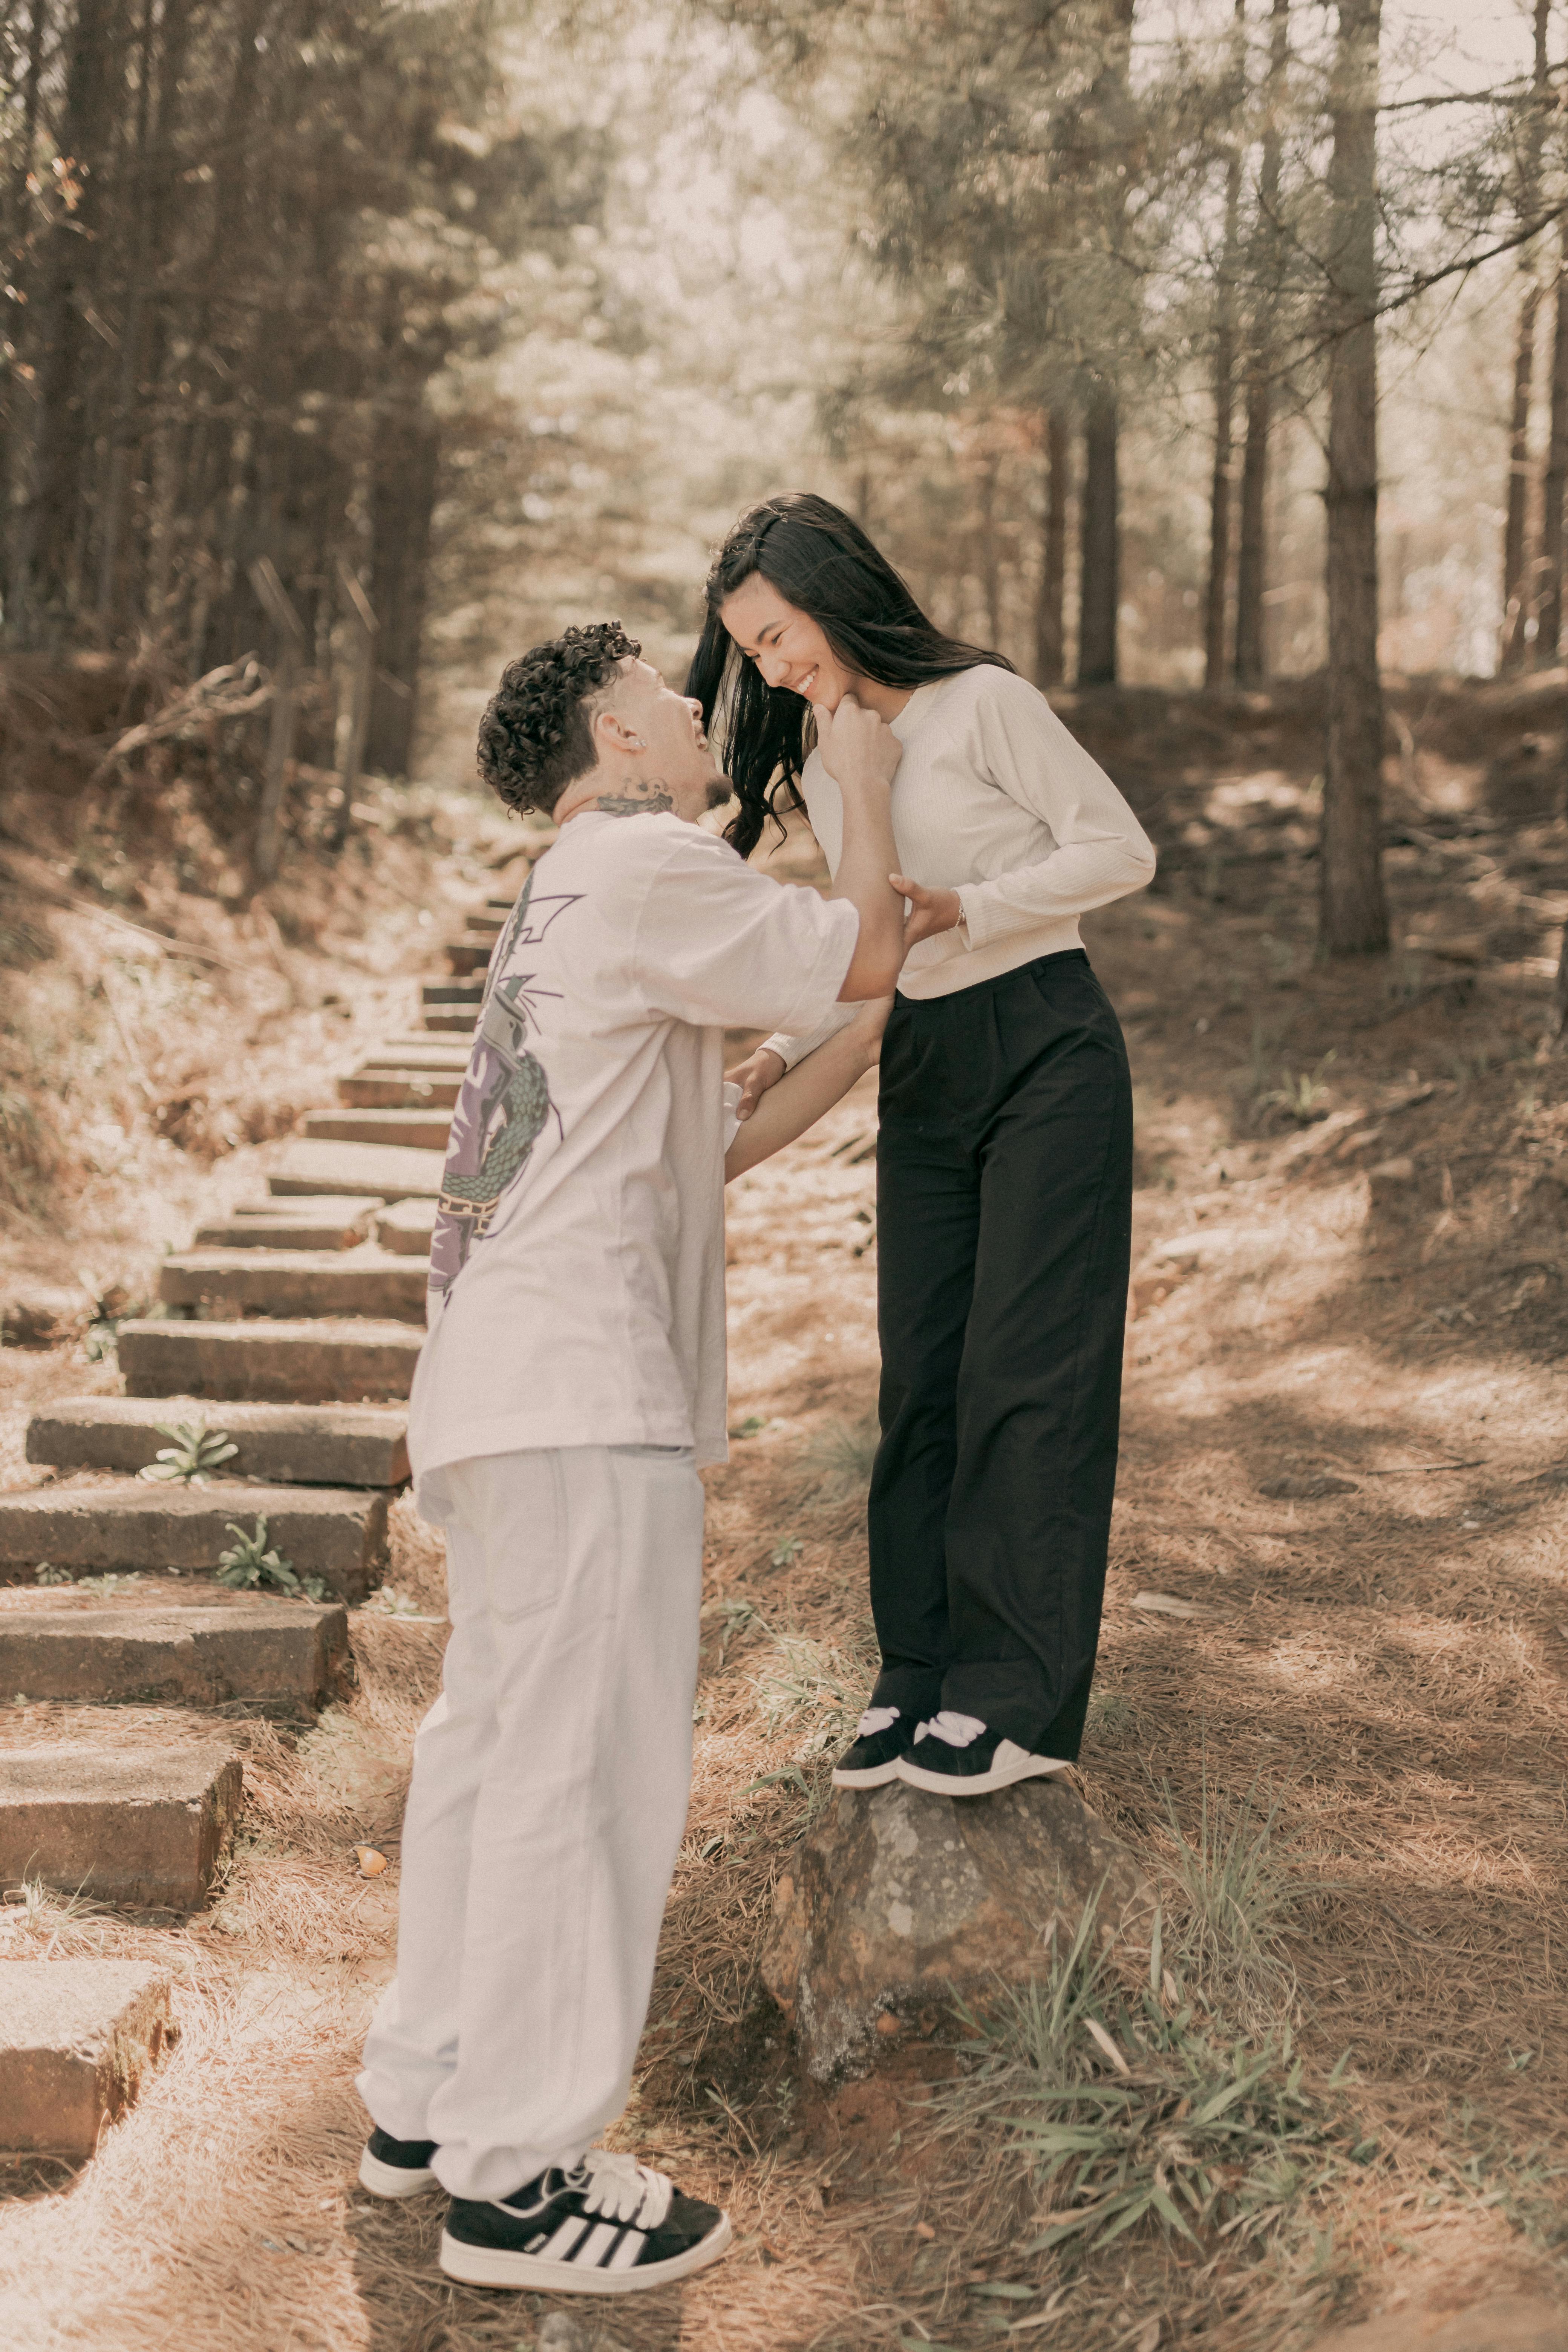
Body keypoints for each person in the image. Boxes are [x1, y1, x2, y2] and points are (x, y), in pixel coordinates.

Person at [355, 621, 905, 2296]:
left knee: (493, 1750)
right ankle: (515, 2188)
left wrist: (819, 1022)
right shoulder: (652, 857)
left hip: (501, 1383)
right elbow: (865, 954)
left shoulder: (566, 895)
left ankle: (425, 2100)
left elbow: (712, 1119)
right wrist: (856, 772)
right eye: (671, 697)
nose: (696, 711)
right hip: (579, 1394)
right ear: (612, 727)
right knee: (578, 1780)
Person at [689, 492, 1156, 1802]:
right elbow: (867, 957)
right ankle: (919, 1673)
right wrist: (779, 1054)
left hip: (1049, 1047)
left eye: (780, 636)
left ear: (833, 594)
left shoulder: (982, 703)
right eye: (754, 653)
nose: (773, 668)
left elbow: (1122, 850)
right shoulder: (842, 751)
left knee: (1030, 1376)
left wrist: (977, 904)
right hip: (931, 1071)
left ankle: (1018, 1699)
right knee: (925, 1382)